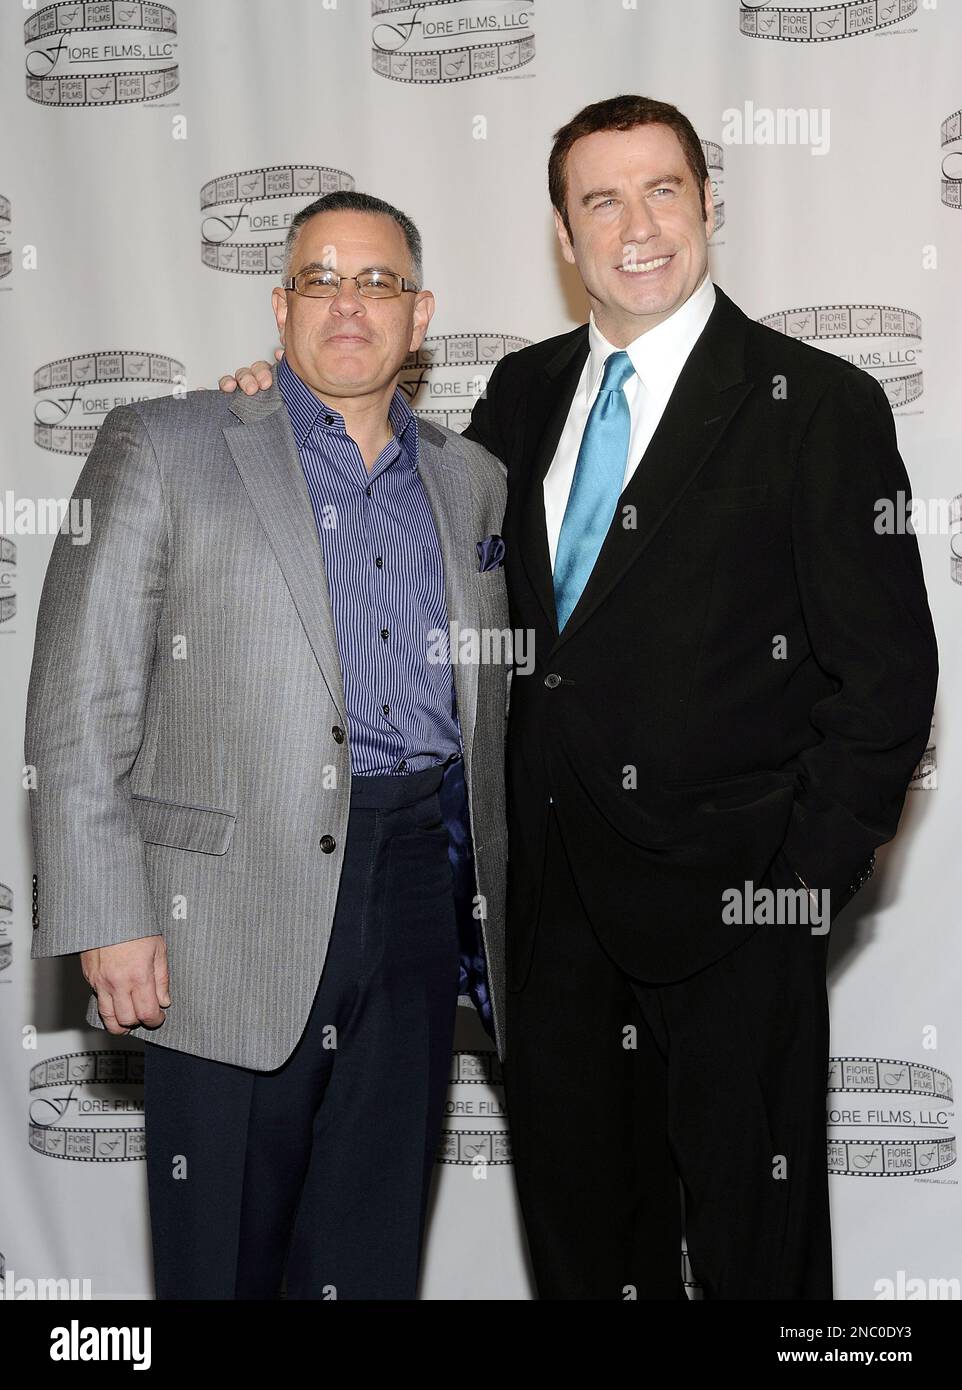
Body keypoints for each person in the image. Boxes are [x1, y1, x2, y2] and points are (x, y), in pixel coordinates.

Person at [219, 97, 939, 1300]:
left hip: (734, 924)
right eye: (599, 199)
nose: (635, 224)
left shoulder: (813, 404)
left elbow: (885, 679)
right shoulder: (521, 393)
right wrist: (284, 398)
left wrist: (795, 888)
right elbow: (408, 512)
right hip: (545, 930)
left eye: (661, 189)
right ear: (564, 235)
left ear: (707, 205)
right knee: (583, 1260)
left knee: (761, 1270)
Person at [26, 191, 509, 1300]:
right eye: (322, 279)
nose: (350, 302)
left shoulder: (468, 476)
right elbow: (77, 696)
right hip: (218, 912)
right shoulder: (164, 442)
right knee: (221, 1257)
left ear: (419, 314)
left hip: (416, 894)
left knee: (369, 1248)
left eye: (377, 282)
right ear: (280, 305)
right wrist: (109, 913)